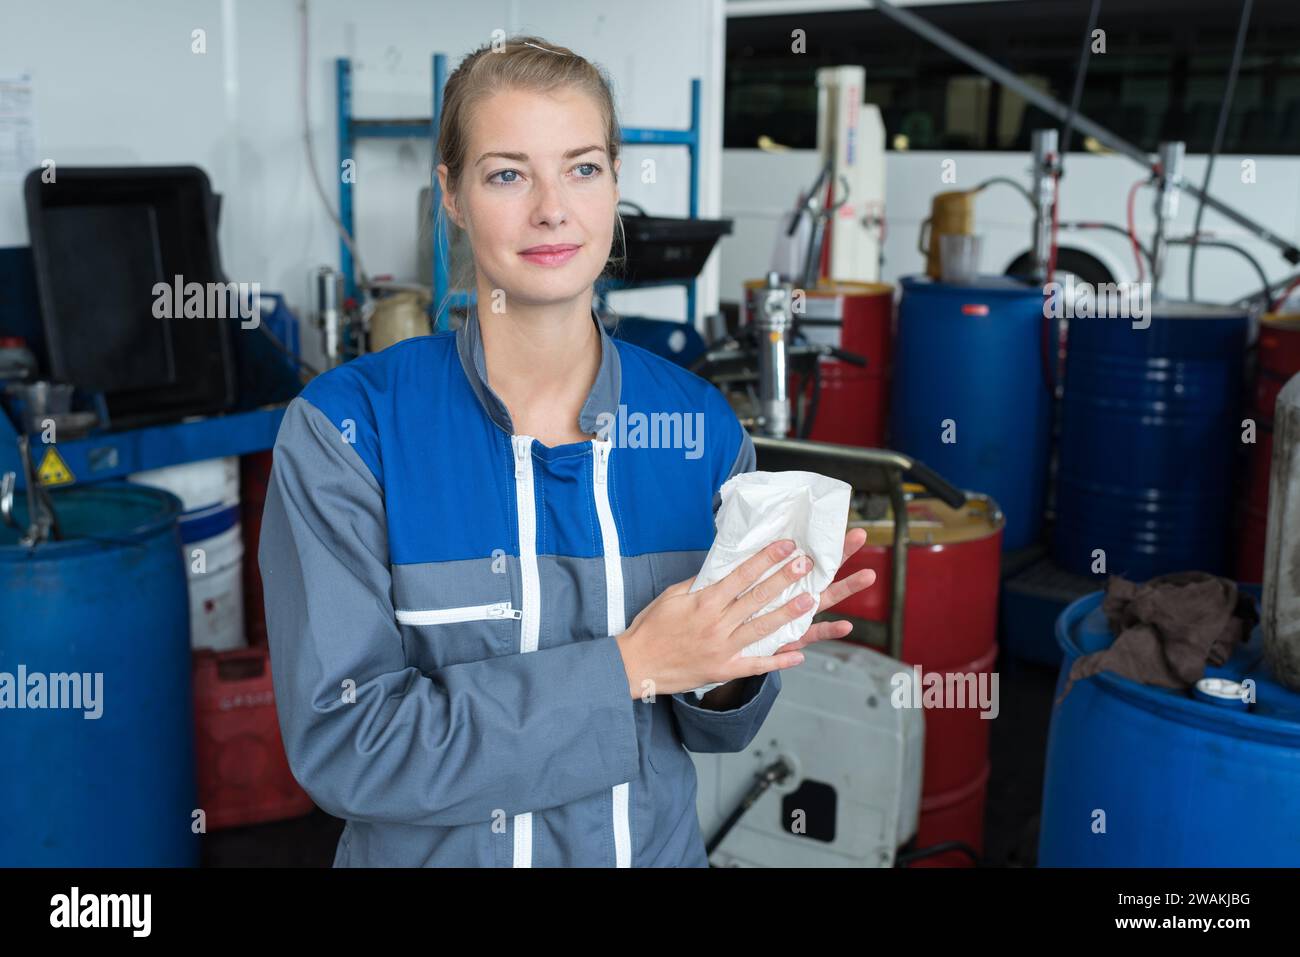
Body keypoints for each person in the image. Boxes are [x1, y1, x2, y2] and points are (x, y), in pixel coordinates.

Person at [258, 34, 875, 868]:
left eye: (582, 168)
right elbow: (349, 744)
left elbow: (714, 723)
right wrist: (628, 664)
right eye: (507, 173)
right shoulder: (346, 435)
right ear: (452, 194)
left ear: (616, 182)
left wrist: (737, 651)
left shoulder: (699, 430)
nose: (552, 208)